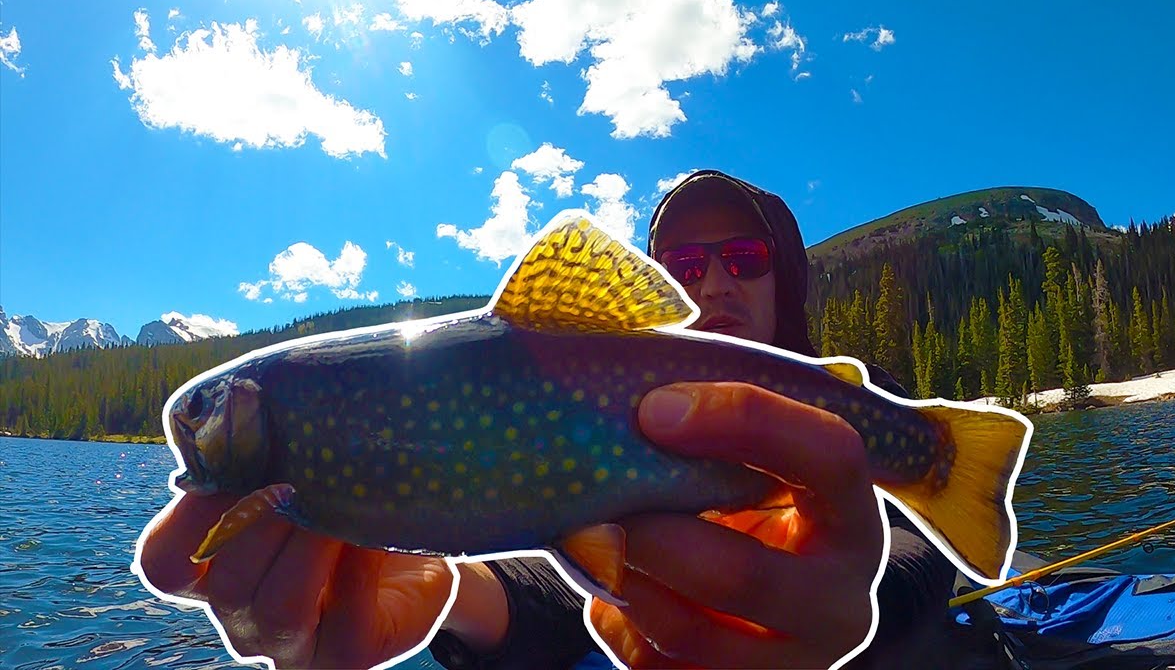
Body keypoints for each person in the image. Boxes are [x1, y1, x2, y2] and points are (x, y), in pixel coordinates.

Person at [137, 169, 958, 670]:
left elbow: (917, 553)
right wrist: (451, 598)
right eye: (679, 264)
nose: (710, 285)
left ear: (790, 279)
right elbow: (565, 580)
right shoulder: (566, 383)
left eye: (744, 259)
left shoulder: (870, 413)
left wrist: (866, 588)